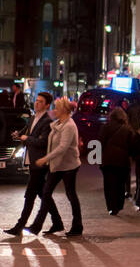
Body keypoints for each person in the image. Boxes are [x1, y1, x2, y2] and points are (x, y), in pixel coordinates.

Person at [5, 93, 62, 235]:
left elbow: (42, 142)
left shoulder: (47, 121)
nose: (37, 103)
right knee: (43, 193)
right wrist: (18, 135)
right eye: (36, 101)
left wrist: (26, 138)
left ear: (47, 105)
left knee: (30, 194)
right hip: (32, 161)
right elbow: (27, 134)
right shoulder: (32, 118)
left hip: (40, 162)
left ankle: (20, 226)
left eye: (40, 102)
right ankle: (57, 222)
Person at [30, 97, 83, 237]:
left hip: (69, 166)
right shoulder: (58, 123)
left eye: (56, 108)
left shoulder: (69, 126)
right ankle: (48, 224)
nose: (54, 110)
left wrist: (45, 159)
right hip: (57, 165)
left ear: (64, 110)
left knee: (71, 195)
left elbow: (62, 147)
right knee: (46, 193)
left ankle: (78, 226)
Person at [98, 107, 134, 215]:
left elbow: (100, 143)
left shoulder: (105, 127)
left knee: (108, 184)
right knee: (120, 184)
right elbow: (132, 146)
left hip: (108, 160)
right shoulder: (127, 129)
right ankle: (119, 205)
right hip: (122, 161)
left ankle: (111, 207)